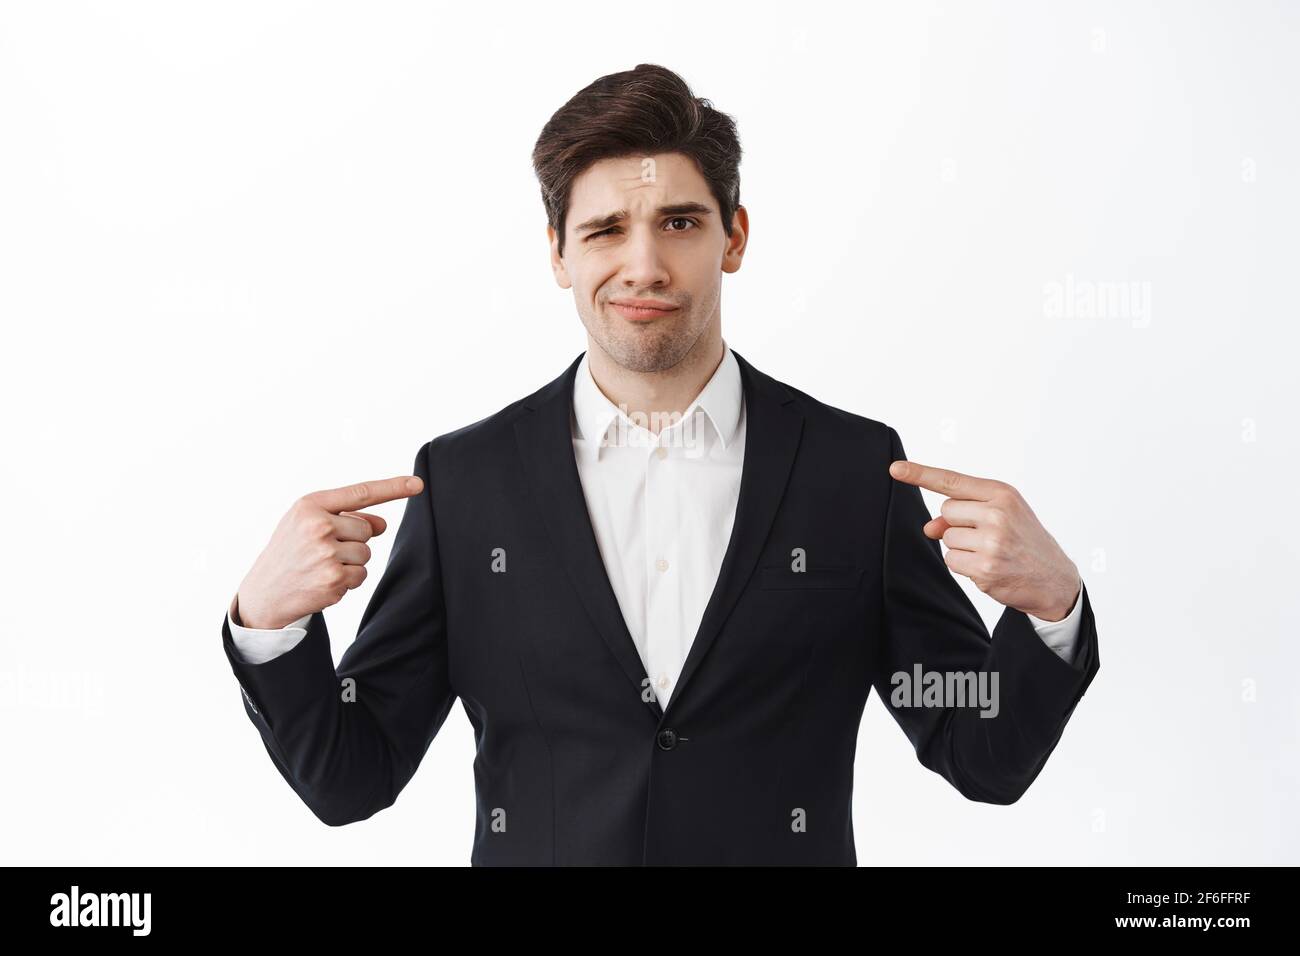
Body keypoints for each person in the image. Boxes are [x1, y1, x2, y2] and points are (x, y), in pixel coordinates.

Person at [221, 63, 1098, 866]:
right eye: (605, 230)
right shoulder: (465, 486)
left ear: (734, 236)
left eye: (679, 222)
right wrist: (270, 625)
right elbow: (352, 777)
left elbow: (981, 752)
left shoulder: (855, 473)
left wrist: (1050, 609)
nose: (643, 265)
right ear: (559, 254)